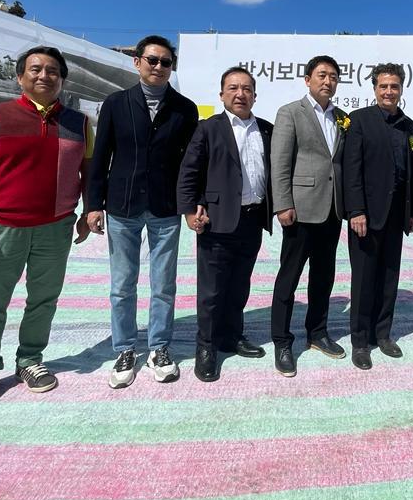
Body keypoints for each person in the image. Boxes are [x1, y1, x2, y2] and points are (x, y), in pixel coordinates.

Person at [0, 46, 92, 415]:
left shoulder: (79, 124)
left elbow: (89, 173)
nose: (44, 75)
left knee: (44, 300)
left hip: (55, 229)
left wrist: (88, 211)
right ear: (20, 77)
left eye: (53, 71)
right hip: (1, 229)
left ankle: (29, 359)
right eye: (36, 69)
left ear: (62, 80)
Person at [85, 35, 198, 388]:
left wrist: (190, 203)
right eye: (152, 60)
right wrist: (93, 204)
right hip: (123, 205)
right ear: (137, 62)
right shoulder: (116, 103)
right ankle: (124, 349)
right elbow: (101, 156)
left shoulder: (185, 109)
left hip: (165, 207)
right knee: (122, 285)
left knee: (163, 284)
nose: (159, 67)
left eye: (166, 62)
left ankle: (159, 347)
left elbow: (189, 163)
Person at [177, 66, 273, 382]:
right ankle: (206, 347)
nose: (240, 94)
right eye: (233, 88)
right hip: (217, 221)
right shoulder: (208, 128)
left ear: (255, 96)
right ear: (222, 94)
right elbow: (189, 172)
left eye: (246, 89)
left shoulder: (266, 129)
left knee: (239, 285)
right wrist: (190, 211)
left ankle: (232, 336)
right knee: (211, 291)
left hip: (253, 219)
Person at [269, 55, 347, 377]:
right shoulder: (290, 112)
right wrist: (282, 203)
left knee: (323, 276)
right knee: (289, 276)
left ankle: (317, 332)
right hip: (300, 210)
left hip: (333, 209)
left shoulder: (342, 118)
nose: (328, 81)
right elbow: (280, 161)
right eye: (322, 75)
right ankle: (281, 340)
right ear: (308, 79)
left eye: (333, 77)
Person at [343, 63, 413, 370]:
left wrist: (411, 211)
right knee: (364, 279)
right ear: (374, 88)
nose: (389, 91)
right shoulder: (359, 120)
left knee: (389, 277)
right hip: (367, 215)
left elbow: (411, 172)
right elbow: (351, 168)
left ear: (401, 89)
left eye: (394, 86)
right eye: (383, 86)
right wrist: (356, 210)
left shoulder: (410, 126)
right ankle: (360, 341)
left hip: (396, 215)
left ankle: (383, 334)